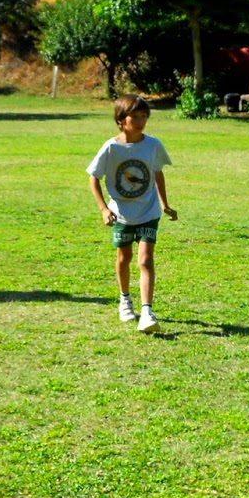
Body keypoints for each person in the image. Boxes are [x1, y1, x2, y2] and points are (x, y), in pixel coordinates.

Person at [87, 94, 177, 332]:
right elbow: (94, 178)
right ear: (120, 119)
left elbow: (157, 173)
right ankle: (125, 299)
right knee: (123, 258)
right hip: (121, 214)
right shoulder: (111, 147)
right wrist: (104, 209)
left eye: (144, 116)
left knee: (145, 260)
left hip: (149, 211)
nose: (140, 121)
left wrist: (164, 204)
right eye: (134, 116)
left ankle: (147, 312)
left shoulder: (153, 145)